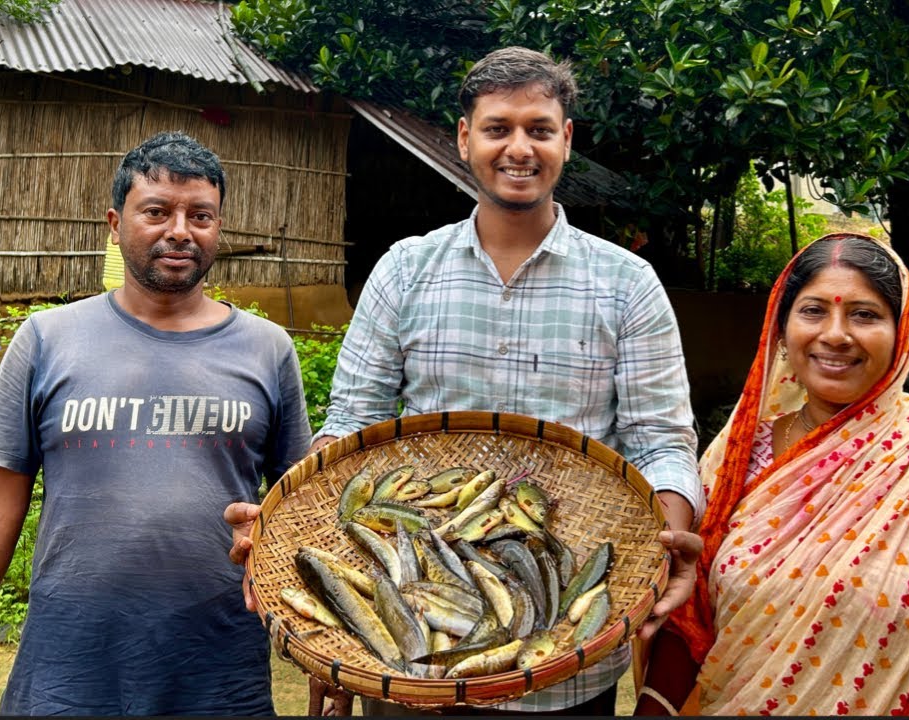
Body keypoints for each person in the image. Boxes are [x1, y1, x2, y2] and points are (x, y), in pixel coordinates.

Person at [224, 46, 705, 716]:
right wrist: (287, 520)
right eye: (498, 128)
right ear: (463, 138)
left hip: (567, 658)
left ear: (566, 139)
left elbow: (660, 445)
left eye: (539, 129)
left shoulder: (627, 285)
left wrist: (663, 543)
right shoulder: (406, 270)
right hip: (414, 647)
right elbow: (352, 428)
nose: (519, 148)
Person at [0, 131, 313, 716]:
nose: (180, 231)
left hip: (219, 673)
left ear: (218, 227)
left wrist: (326, 654)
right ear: (115, 224)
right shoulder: (47, 339)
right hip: (67, 671)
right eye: (157, 211)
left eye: (201, 215)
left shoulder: (268, 350)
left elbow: (303, 513)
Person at [634, 233, 909, 715]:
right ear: (781, 329)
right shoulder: (732, 464)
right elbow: (688, 627)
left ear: (903, 333)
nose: (835, 334)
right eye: (814, 311)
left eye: (864, 314)